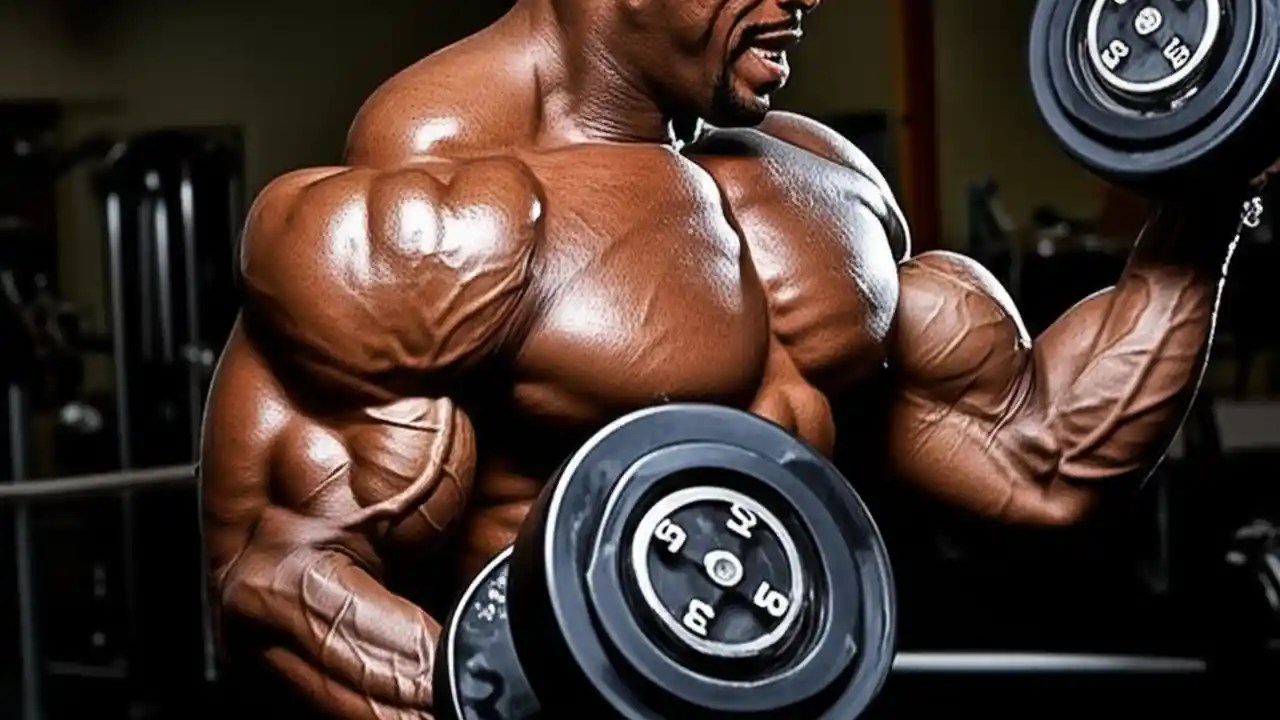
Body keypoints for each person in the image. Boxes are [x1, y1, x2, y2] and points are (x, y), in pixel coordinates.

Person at [198, 0, 1275, 716]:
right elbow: (276, 588)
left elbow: (1033, 455)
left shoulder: (816, 178)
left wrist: (1210, 191)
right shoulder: (423, 221)